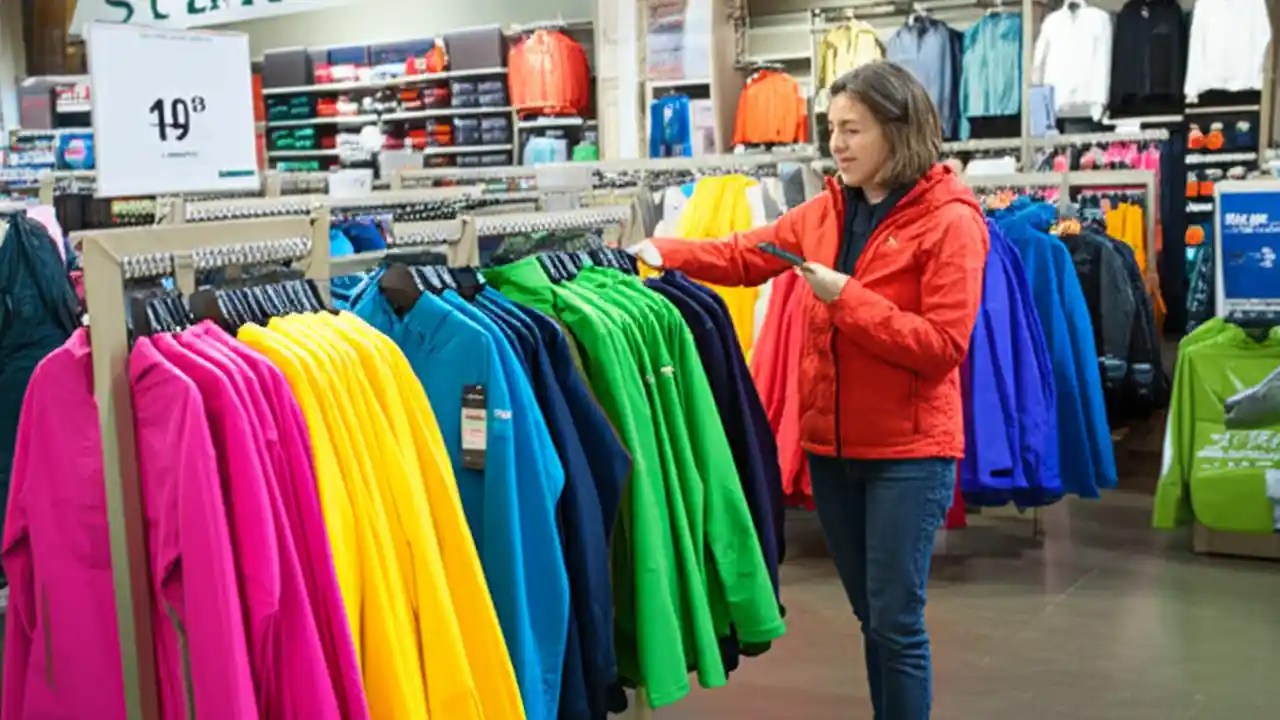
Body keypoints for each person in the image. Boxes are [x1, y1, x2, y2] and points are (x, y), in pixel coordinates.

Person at [629, 61, 989, 720]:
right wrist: (663, 252)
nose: (839, 144)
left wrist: (847, 299)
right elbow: (745, 255)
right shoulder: (827, 210)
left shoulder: (951, 222)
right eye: (833, 129)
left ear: (898, 130)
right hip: (831, 450)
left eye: (853, 130)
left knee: (896, 622)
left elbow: (941, 349)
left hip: (908, 457)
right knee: (870, 617)